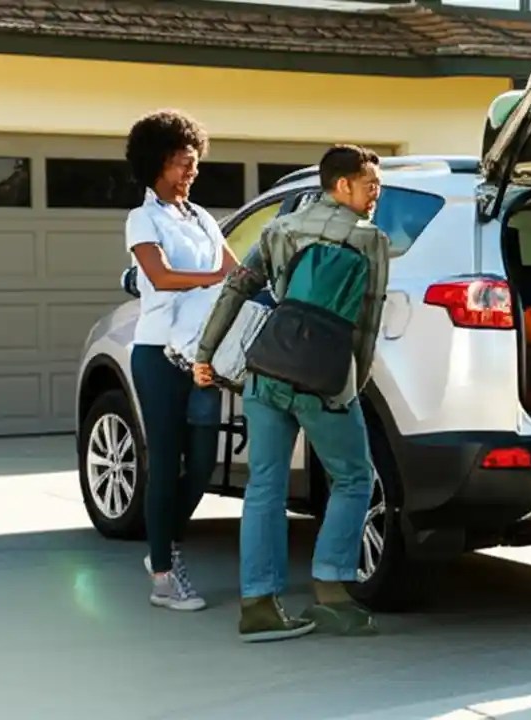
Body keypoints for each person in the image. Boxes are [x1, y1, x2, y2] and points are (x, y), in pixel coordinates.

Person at [193, 144, 390, 643]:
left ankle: (258, 605)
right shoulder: (369, 239)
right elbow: (366, 324)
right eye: (370, 187)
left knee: (264, 485)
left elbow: (237, 286)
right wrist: (351, 385)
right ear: (342, 186)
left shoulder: (279, 229)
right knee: (353, 478)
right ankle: (332, 593)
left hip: (265, 370)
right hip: (323, 380)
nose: (375, 197)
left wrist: (205, 352)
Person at [123, 109, 237, 611]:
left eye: (193, 160)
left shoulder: (203, 217)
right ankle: (165, 574)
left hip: (203, 354)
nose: (190, 169)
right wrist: (217, 281)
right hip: (157, 353)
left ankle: (161, 544)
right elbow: (162, 276)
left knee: (204, 463)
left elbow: (237, 270)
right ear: (156, 163)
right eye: (179, 161)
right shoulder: (142, 218)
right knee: (166, 463)